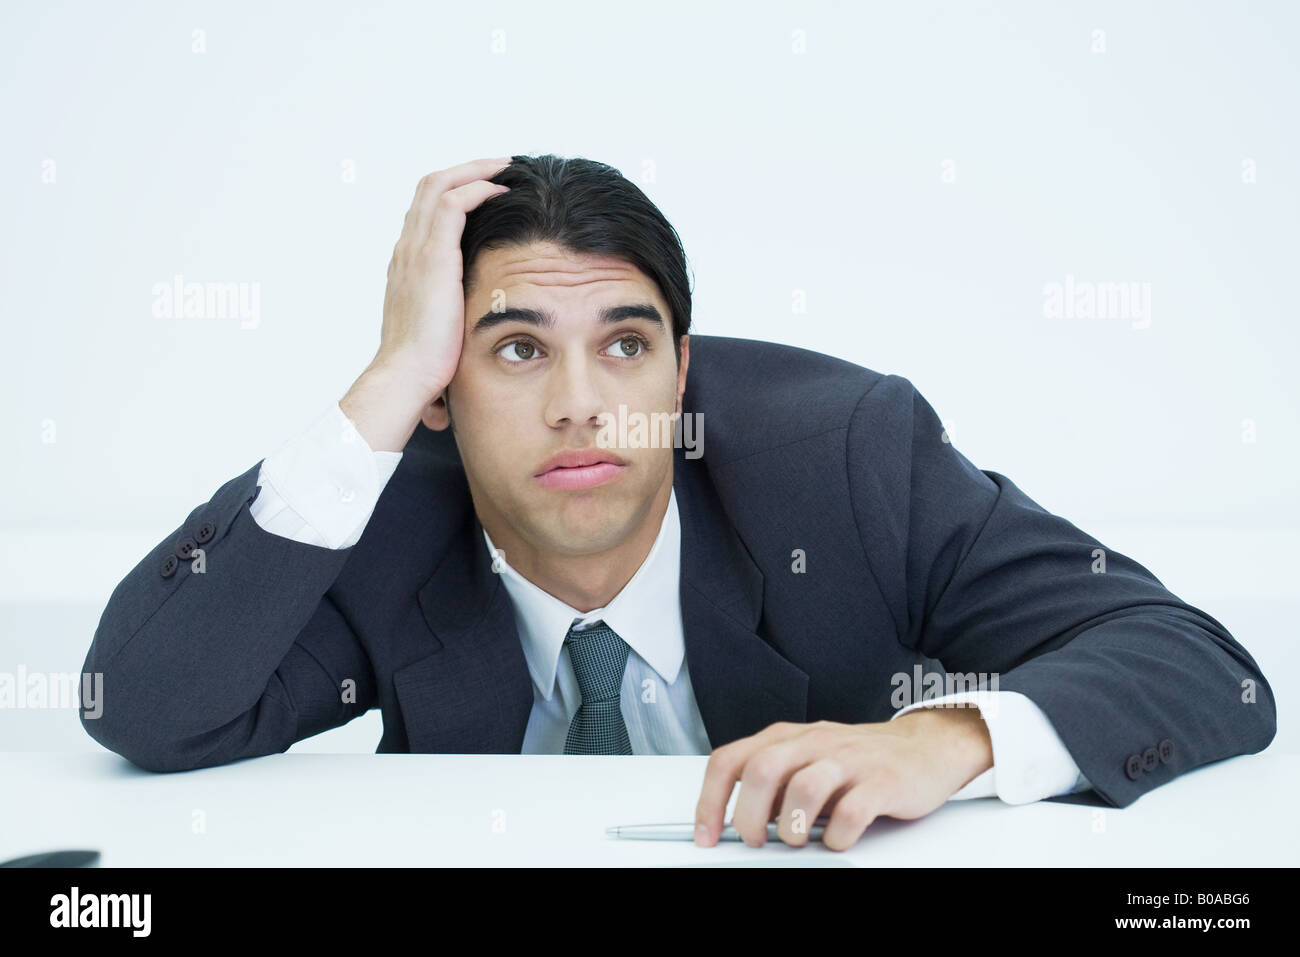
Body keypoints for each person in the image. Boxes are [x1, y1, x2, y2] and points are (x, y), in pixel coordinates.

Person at [79, 154, 1276, 851]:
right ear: (443, 387)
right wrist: (390, 379)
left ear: (683, 370)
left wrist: (939, 741)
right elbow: (146, 710)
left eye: (625, 345)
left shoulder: (845, 461)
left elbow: (1195, 662)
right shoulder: (380, 510)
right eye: (513, 351)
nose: (580, 407)